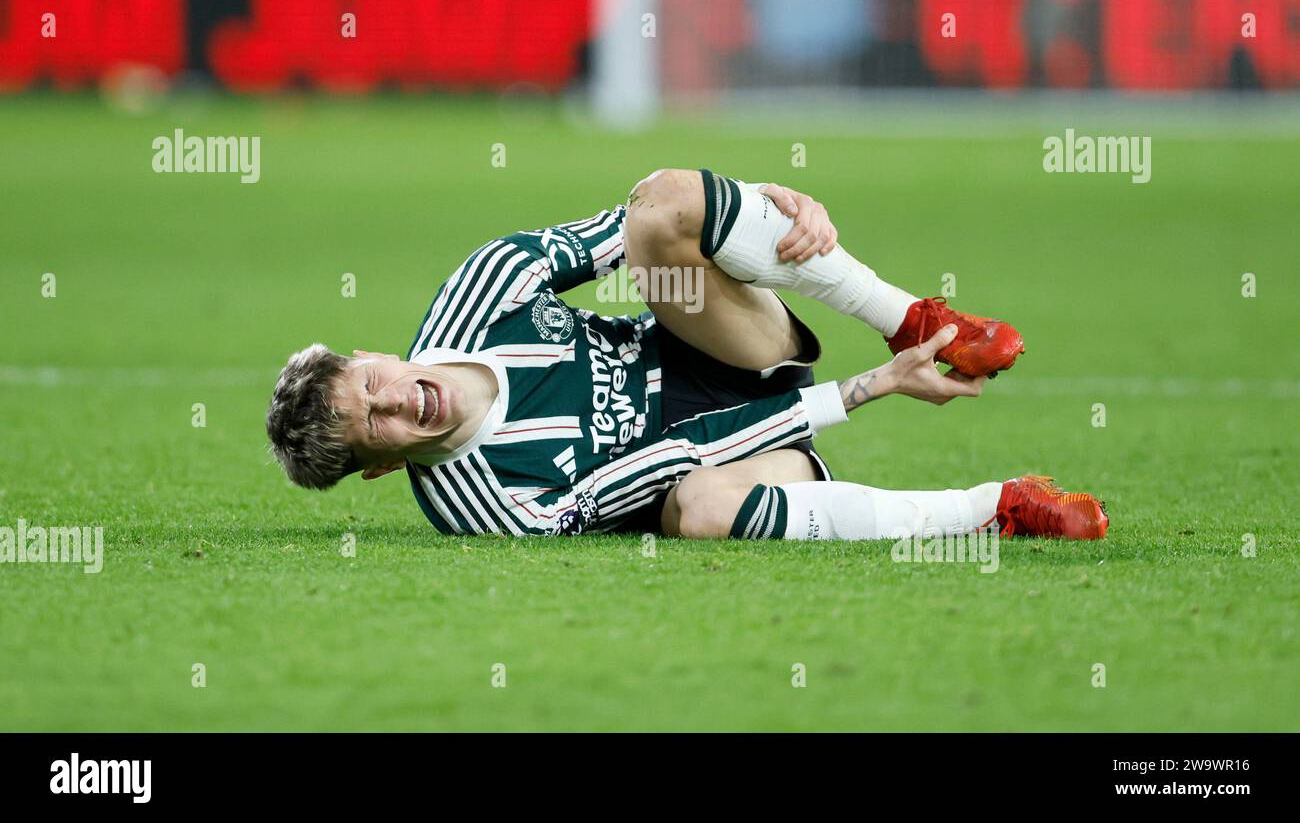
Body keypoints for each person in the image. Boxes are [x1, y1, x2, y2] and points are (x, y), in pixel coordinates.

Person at [265, 169, 1107, 541]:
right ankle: (998, 506)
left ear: (370, 354)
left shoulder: (481, 289)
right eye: (377, 426)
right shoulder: (478, 506)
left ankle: (908, 312)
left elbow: (647, 218)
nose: (397, 403)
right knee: (699, 510)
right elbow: (677, 457)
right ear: (380, 469)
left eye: (372, 384)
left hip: (722, 345)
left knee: (660, 208)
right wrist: (866, 390)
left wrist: (766, 218)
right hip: (728, 469)